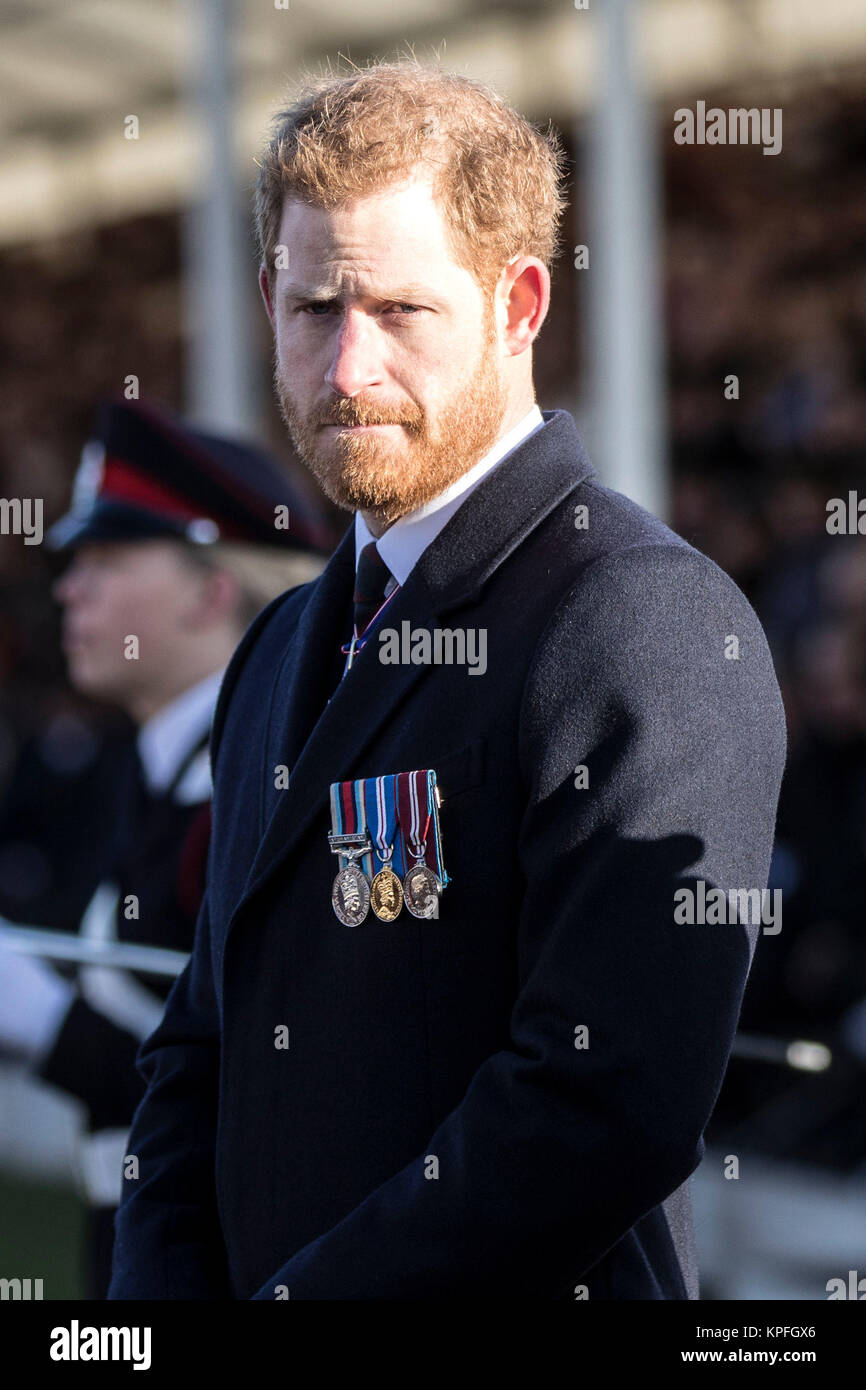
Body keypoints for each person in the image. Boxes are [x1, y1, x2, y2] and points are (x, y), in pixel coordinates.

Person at [109, 61, 787, 1301]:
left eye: (400, 311)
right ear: (265, 298)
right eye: (315, 308)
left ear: (517, 303)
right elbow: (197, 1046)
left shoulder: (639, 615)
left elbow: (603, 1103)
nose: (348, 368)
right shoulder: (279, 644)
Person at [0, 396, 331, 1298]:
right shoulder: (169, 774)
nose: (68, 587)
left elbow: (258, 1083)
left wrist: (30, 1011)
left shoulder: (251, 788)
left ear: (211, 590)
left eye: (105, 559)